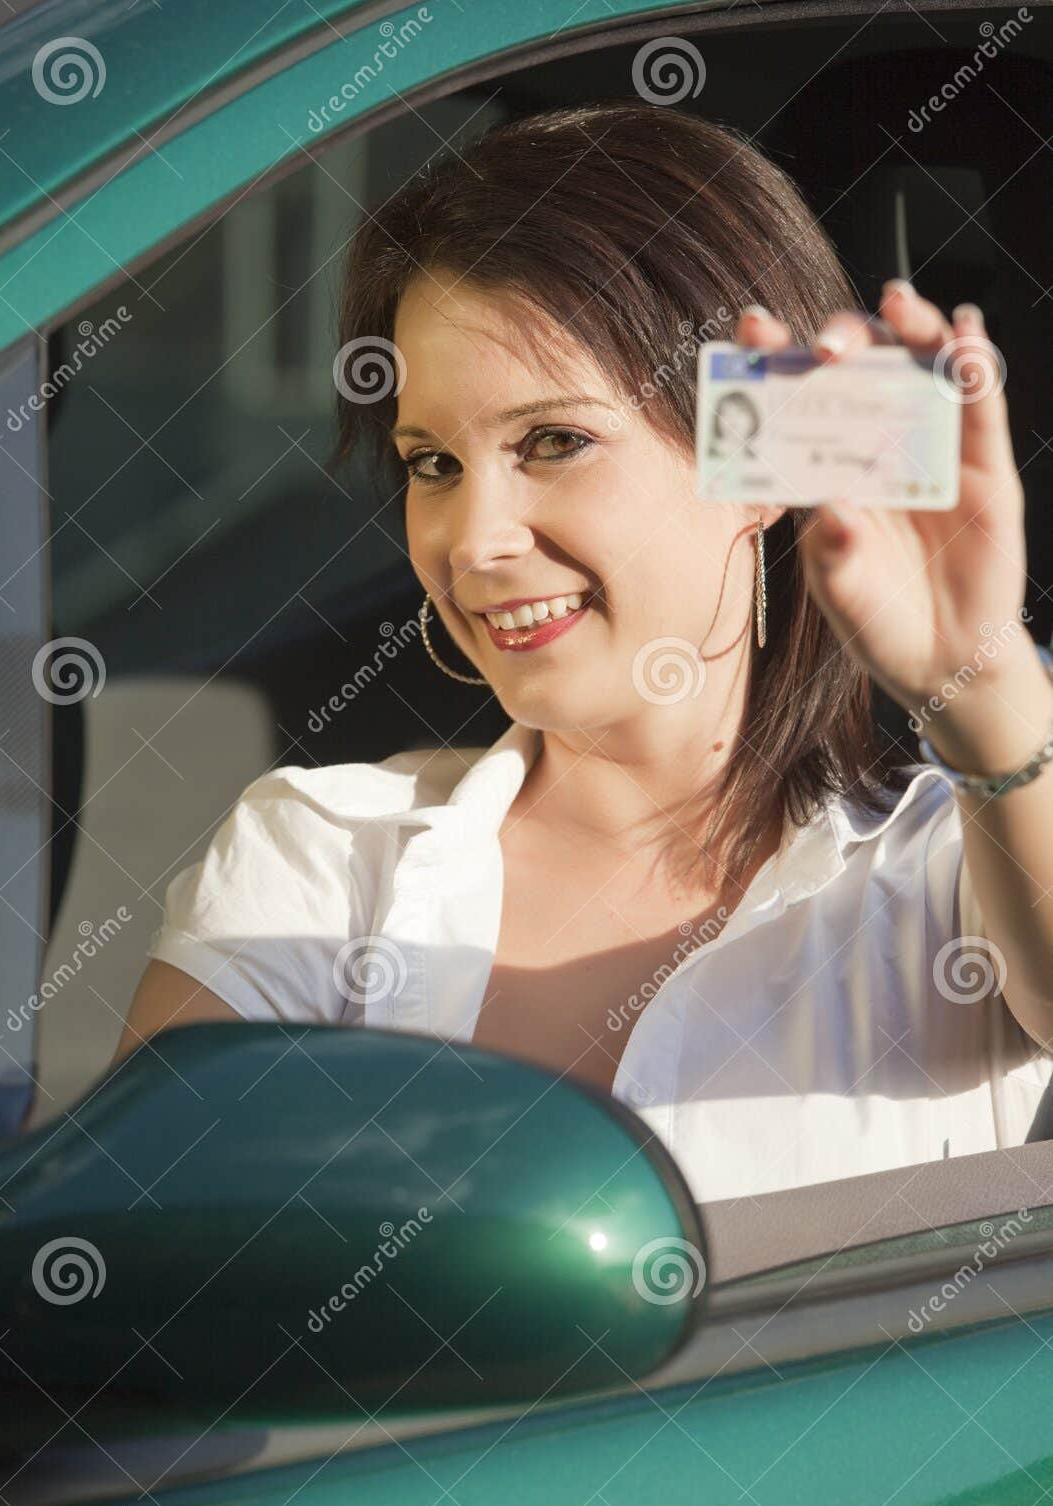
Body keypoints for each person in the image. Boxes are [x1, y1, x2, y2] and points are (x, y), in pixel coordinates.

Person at [114, 100, 1053, 1204]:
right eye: (431, 464)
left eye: (553, 441)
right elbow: (146, 1254)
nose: (474, 540)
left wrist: (981, 684)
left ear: (758, 464)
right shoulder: (323, 861)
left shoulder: (943, 875)